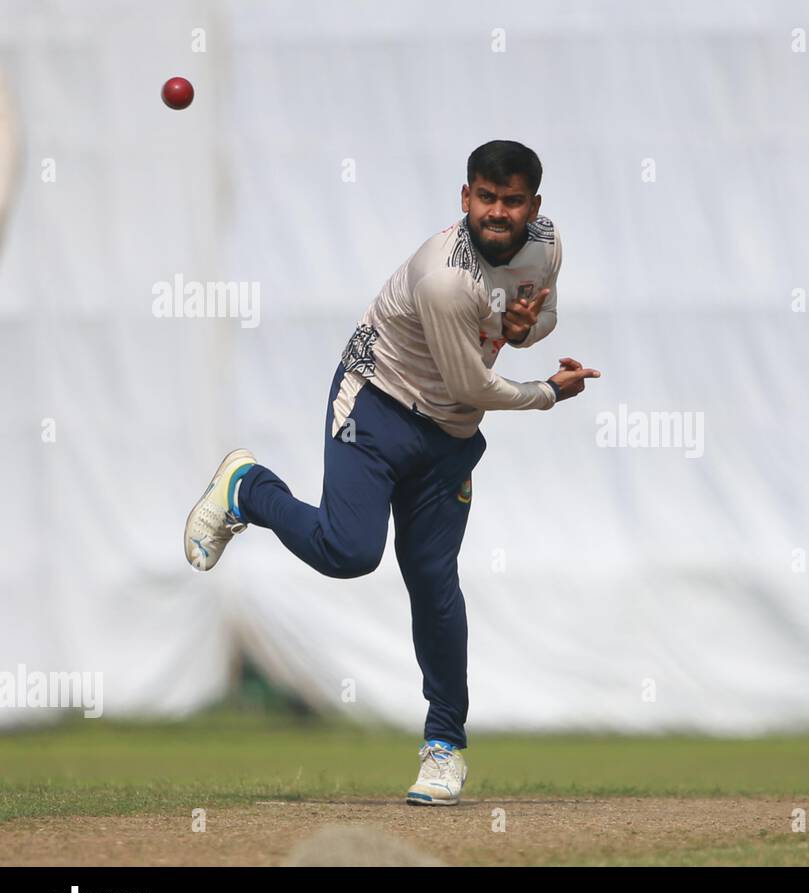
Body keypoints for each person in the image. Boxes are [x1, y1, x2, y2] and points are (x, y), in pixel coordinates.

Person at [183, 140, 600, 806]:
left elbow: (538, 317)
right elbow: (475, 382)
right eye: (485, 198)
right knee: (349, 553)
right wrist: (547, 392)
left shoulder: (546, 243)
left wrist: (523, 329)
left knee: (434, 581)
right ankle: (247, 488)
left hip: (449, 434)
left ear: (534, 206)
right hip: (378, 404)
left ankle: (444, 746)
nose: (498, 212)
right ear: (464, 199)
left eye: (512, 200)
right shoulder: (444, 277)